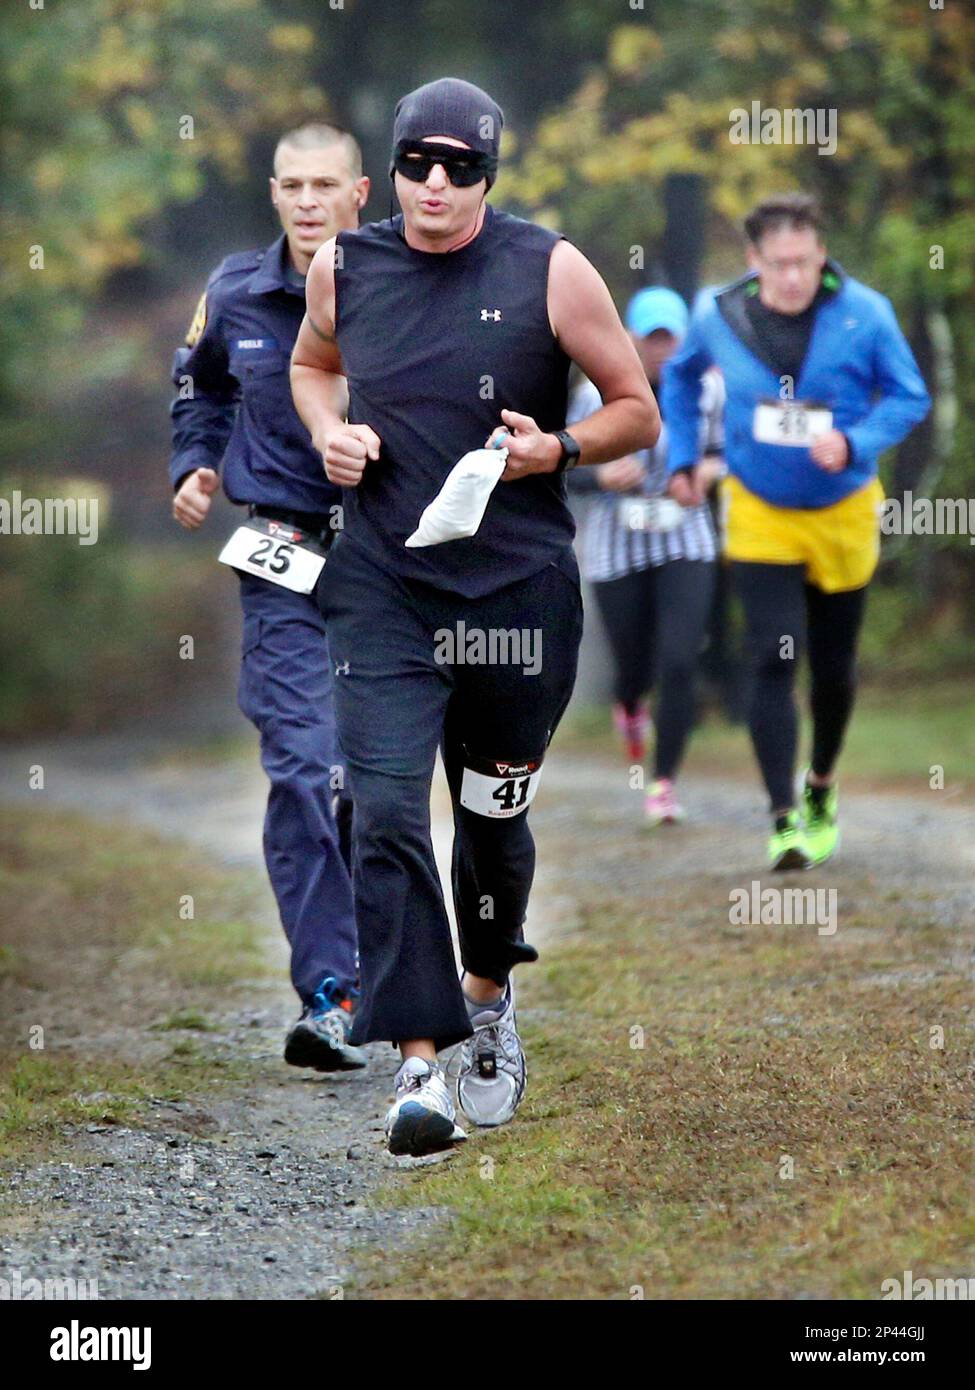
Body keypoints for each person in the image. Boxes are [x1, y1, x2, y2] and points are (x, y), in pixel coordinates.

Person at [291, 78, 659, 1156]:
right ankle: (417, 1068)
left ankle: (487, 995)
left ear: (490, 176)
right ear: (393, 167)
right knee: (390, 814)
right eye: (418, 164)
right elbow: (316, 369)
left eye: (462, 167)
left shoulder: (551, 267)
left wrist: (561, 449)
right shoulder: (343, 265)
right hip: (384, 587)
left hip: (517, 595)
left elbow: (637, 408)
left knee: (493, 824)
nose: (437, 184)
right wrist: (329, 434)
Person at [169, 123, 370, 1070]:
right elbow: (199, 389)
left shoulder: (397, 289)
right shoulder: (234, 291)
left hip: (385, 564)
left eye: (324, 183)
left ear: (360, 192)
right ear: (273, 191)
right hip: (280, 554)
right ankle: (329, 994)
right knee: (300, 767)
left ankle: (397, 970)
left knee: (364, 780)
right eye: (291, 184)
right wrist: (197, 466)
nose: (306, 201)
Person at [662, 193, 930, 870]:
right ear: (753, 260)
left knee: (833, 670)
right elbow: (680, 377)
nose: (791, 278)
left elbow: (909, 395)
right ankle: (782, 818)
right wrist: (683, 457)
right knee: (772, 657)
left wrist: (857, 440)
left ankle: (819, 787)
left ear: (819, 257)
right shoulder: (717, 314)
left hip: (841, 509)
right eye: (777, 264)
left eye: (803, 263)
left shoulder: (863, 313)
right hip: (759, 508)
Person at [566, 287, 723, 825]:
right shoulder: (594, 394)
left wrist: (705, 472)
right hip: (617, 539)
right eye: (650, 338)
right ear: (629, 339)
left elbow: (725, 452)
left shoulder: (707, 389)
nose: (661, 349)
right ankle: (630, 704)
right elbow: (562, 464)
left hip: (685, 532)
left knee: (679, 660)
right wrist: (601, 474)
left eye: (670, 337)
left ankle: (664, 783)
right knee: (632, 662)